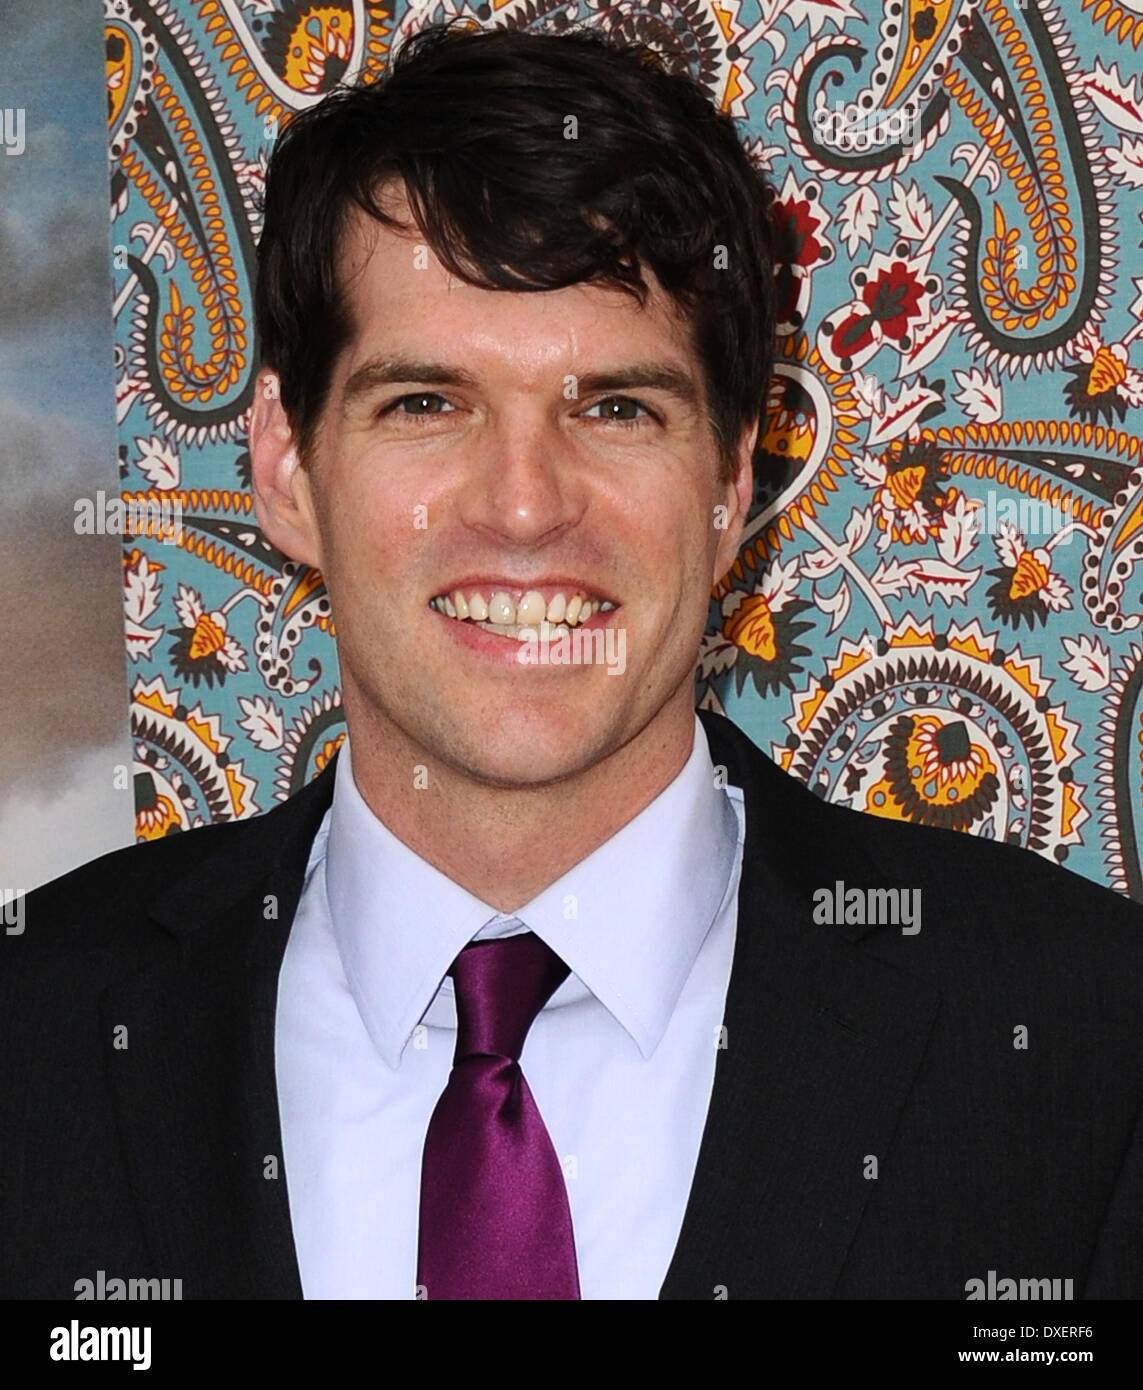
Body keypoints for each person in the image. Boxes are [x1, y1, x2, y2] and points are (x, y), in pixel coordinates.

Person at [3, 20, 1142, 1302]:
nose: (528, 504)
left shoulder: (1087, 1042)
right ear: (285, 467)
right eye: (426, 403)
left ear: (729, 483)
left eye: (618, 407)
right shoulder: (34, 1032)